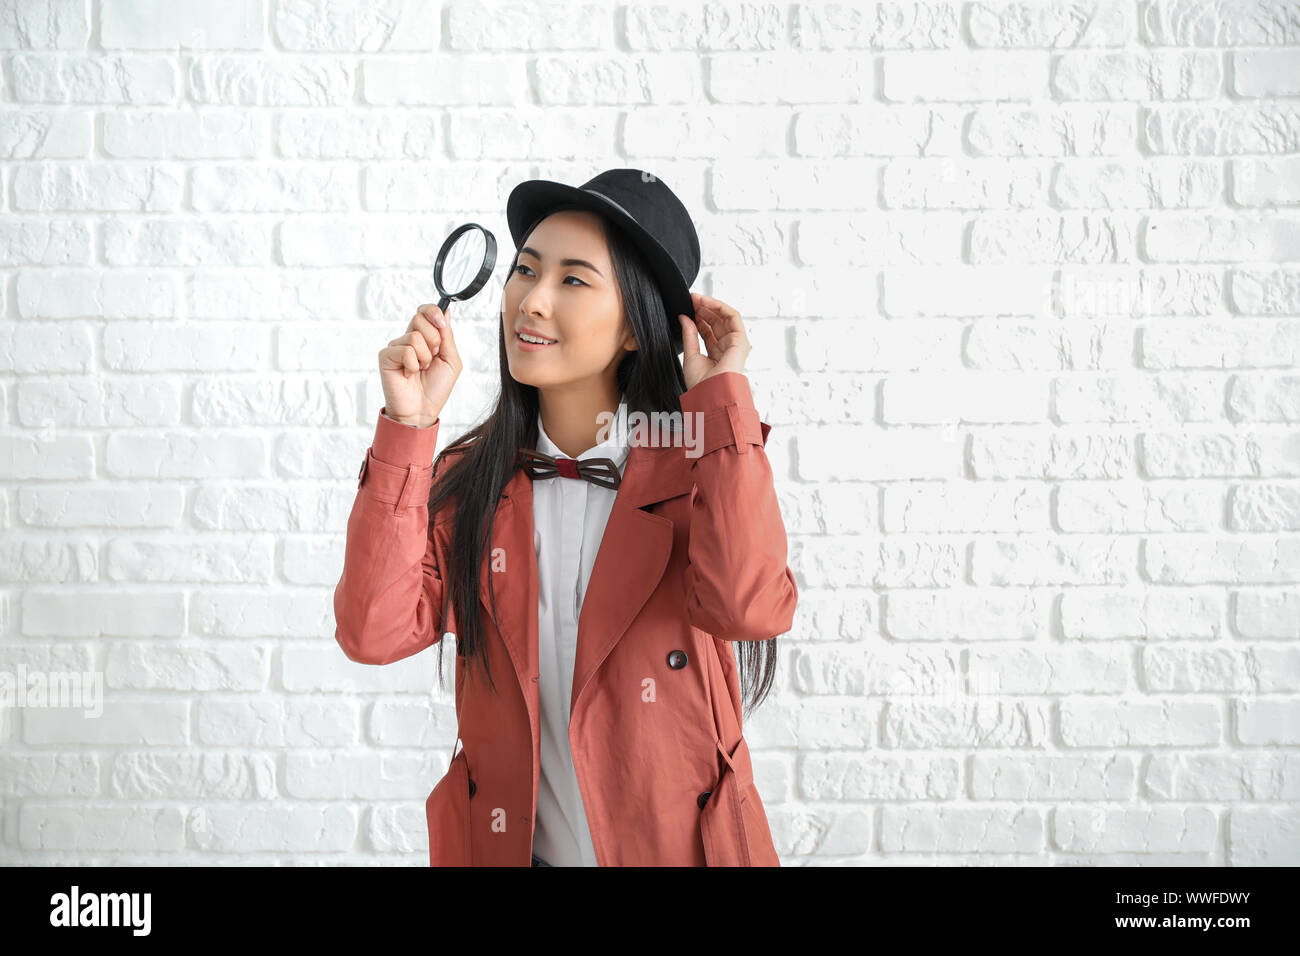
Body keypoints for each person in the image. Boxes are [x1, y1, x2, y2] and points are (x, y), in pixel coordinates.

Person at [333, 169, 798, 866]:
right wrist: (409, 425)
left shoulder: (702, 471)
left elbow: (749, 608)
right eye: (525, 270)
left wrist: (724, 400)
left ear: (637, 330)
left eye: (574, 280)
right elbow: (372, 631)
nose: (532, 301)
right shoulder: (472, 483)